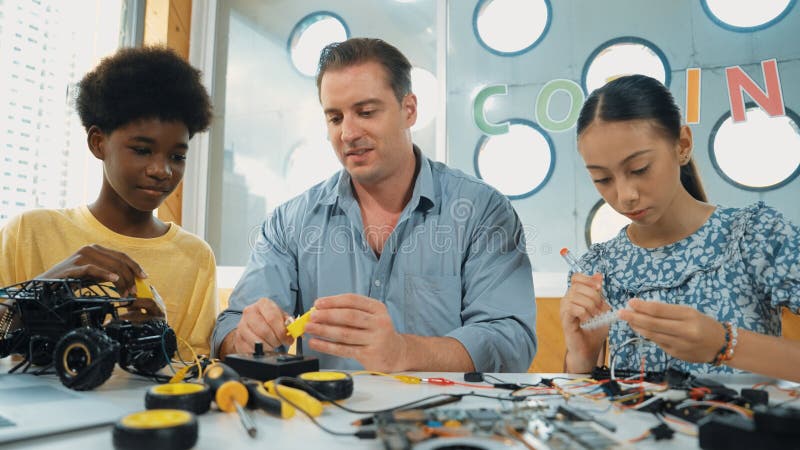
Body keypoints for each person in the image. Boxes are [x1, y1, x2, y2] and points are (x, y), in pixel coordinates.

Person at [212, 38, 536, 372]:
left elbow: (510, 340)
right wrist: (246, 336)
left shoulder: (482, 211)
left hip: (446, 407)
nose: (348, 133)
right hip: (326, 406)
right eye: (335, 118)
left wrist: (404, 352)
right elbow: (228, 329)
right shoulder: (289, 223)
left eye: (365, 112)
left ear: (409, 110)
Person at [561, 74, 800, 381]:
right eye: (602, 179)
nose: (625, 195)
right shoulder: (597, 268)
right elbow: (579, 395)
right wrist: (581, 357)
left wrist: (725, 344)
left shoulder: (756, 236)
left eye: (639, 169)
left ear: (683, 145)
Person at [0, 46, 218, 356]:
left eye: (177, 156)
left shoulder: (195, 257)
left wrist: (158, 343)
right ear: (98, 142)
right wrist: (44, 288)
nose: (162, 170)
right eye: (142, 150)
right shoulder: (29, 232)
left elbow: (193, 368)